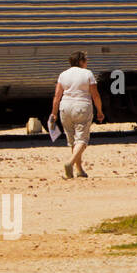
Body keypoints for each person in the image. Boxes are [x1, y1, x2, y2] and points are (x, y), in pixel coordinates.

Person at [50, 51, 104, 179]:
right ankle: (70, 162)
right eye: (85, 60)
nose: (87, 62)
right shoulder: (88, 73)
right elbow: (95, 95)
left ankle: (79, 170)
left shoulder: (63, 75)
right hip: (81, 107)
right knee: (82, 140)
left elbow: (57, 96)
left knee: (72, 140)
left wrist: (54, 113)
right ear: (80, 61)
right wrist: (100, 111)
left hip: (65, 107)